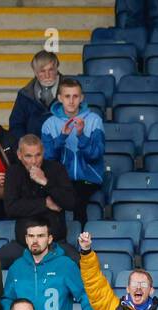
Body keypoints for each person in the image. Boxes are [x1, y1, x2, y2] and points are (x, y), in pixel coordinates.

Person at [5, 220, 93, 310]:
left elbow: (87, 297)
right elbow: (7, 299)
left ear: (50, 238)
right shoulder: (16, 267)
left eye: (40, 236)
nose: (35, 241)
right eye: (31, 236)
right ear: (26, 239)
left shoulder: (65, 265)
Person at [41, 78, 104, 230]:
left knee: (77, 198)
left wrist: (81, 135)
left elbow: (95, 155)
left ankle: (80, 244)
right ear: (60, 98)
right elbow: (48, 158)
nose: (71, 101)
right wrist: (62, 137)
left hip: (88, 177)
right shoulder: (49, 124)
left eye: (75, 96)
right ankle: (59, 241)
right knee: (56, 197)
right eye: (67, 96)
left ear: (81, 98)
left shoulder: (94, 120)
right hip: (61, 178)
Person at [2, 134, 78, 252]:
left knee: (79, 263)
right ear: (19, 155)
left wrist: (45, 182)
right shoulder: (13, 172)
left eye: (38, 155)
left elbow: (70, 202)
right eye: (28, 156)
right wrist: (45, 203)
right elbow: (11, 208)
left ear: (43, 153)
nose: (34, 161)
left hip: (54, 243)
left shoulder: (57, 169)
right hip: (24, 245)